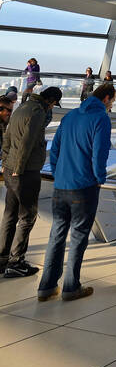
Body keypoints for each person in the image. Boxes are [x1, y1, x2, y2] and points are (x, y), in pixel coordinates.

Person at [37, 82, 114, 303]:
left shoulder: (70, 117)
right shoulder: (101, 119)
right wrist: (99, 178)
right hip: (84, 186)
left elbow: (56, 148)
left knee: (56, 235)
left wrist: (58, 172)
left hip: (61, 184)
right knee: (79, 237)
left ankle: (46, 287)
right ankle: (71, 287)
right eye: (113, 100)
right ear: (107, 98)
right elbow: (100, 153)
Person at [0, 87, 64, 279]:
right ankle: (16, 261)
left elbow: (8, 138)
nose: (52, 107)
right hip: (25, 171)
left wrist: (6, 163)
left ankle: (3, 258)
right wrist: (18, 169)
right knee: (27, 216)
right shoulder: (37, 112)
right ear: (50, 100)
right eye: (53, 104)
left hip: (10, 168)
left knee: (10, 214)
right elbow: (27, 142)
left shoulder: (21, 107)